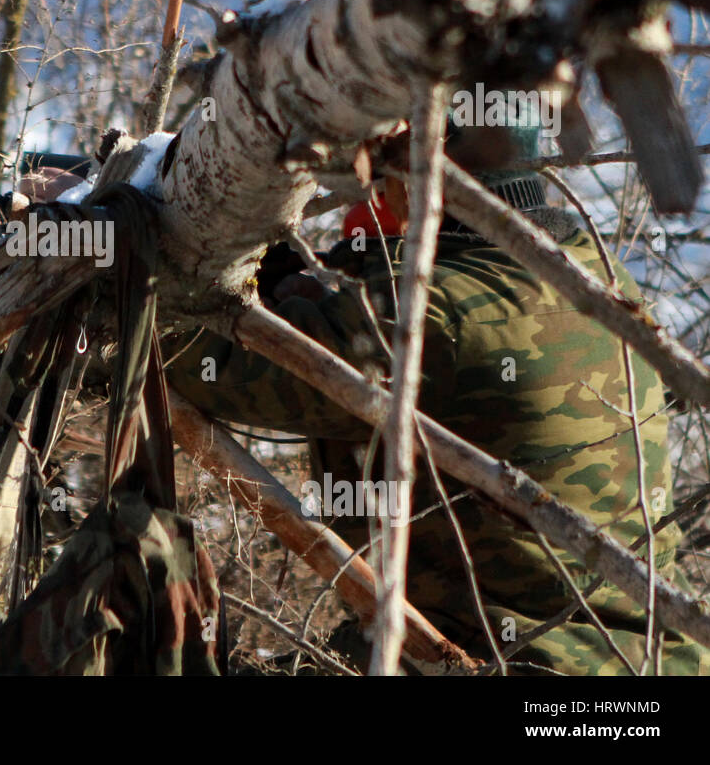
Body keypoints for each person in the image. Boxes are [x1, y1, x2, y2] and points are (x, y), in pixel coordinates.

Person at [163, 118, 709, 675]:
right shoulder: (602, 278)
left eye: (382, 160)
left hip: (509, 666)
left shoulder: (428, 315)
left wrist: (169, 235)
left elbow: (196, 360)